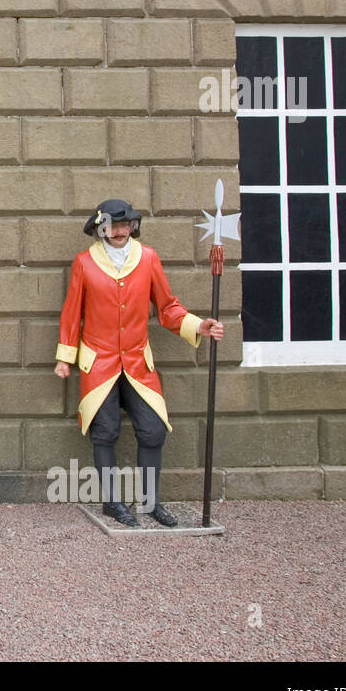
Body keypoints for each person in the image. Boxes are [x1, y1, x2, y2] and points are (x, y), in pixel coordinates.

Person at [53, 199, 223, 528]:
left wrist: (198, 325)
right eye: (114, 225)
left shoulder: (148, 259)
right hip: (98, 363)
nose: (120, 231)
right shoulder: (84, 263)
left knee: (153, 429)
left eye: (125, 224)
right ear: (101, 227)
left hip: (136, 361)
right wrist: (65, 357)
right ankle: (112, 503)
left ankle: (150, 503)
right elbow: (72, 313)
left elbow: (168, 307)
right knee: (105, 431)